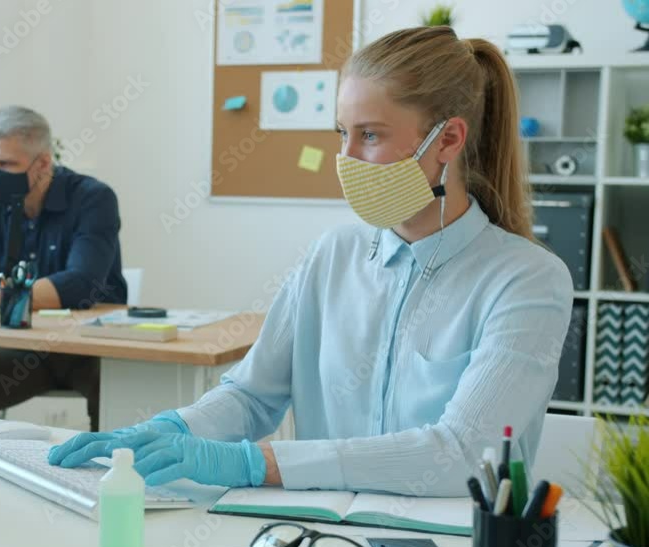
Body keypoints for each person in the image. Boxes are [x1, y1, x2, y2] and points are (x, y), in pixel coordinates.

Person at [48, 27, 573, 496]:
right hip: (318, 537)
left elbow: (461, 454)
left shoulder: (527, 280)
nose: (346, 158)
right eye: (341, 134)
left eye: (370, 134)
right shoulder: (333, 255)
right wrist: (179, 428)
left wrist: (260, 463)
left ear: (449, 140)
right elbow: (253, 396)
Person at [0, 106, 127, 430]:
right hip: (33, 348)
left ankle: (96, 477)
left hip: (96, 349)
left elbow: (80, 285)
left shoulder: (94, 198)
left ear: (44, 163)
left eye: (5, 164)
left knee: (116, 407)